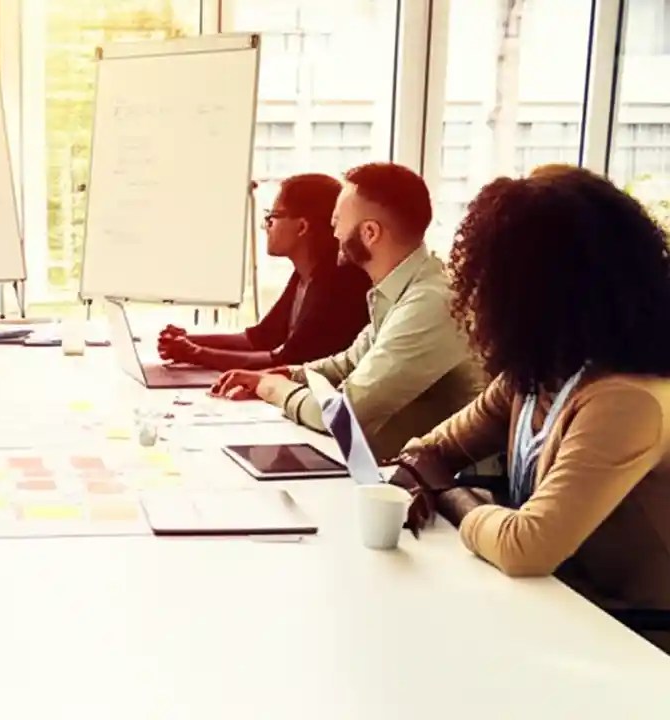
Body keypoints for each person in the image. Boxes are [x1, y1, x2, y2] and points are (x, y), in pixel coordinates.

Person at [386, 166, 670, 651]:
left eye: (489, 280)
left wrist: (451, 495)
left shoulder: (627, 400)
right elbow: (426, 450)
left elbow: (526, 547)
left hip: (629, 637)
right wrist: (436, 475)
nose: (475, 300)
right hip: (550, 607)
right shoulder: (536, 376)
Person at [211, 163, 485, 460]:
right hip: (393, 468)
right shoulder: (401, 289)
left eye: (338, 221)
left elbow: (342, 415)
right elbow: (347, 365)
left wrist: (273, 389)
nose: (334, 233)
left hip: (449, 491)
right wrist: (288, 374)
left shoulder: (430, 303)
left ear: (369, 232)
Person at [157, 173, 370, 370]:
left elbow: (286, 361)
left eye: (272, 218)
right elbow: (260, 339)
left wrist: (196, 354)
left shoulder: (338, 283)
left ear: (302, 227)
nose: (265, 227)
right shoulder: (304, 274)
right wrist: (189, 340)